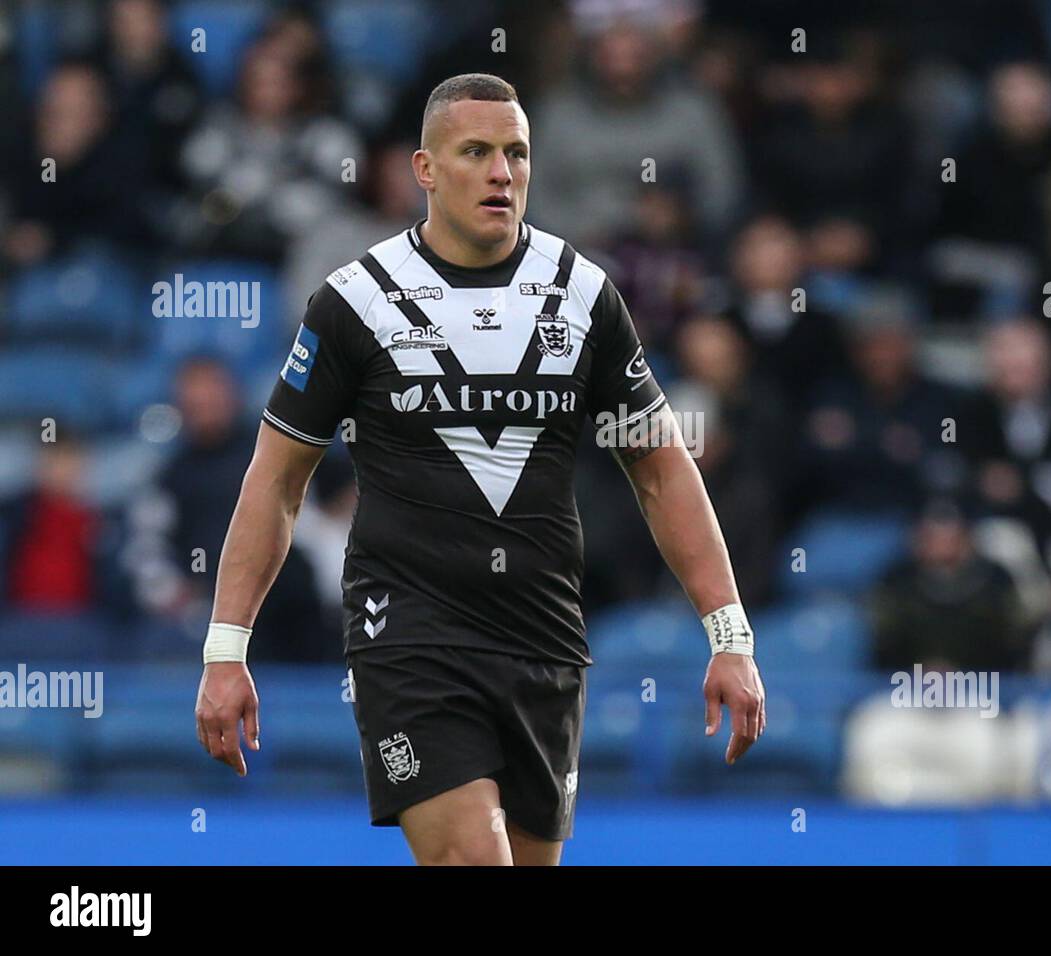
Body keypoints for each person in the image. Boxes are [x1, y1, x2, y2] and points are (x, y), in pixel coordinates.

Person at [193, 73, 766, 866]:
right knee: (473, 859)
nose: (503, 172)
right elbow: (276, 482)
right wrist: (227, 650)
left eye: (517, 153)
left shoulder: (583, 295)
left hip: (544, 637)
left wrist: (729, 635)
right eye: (477, 152)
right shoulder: (356, 302)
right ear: (426, 170)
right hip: (410, 637)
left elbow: (663, 471)